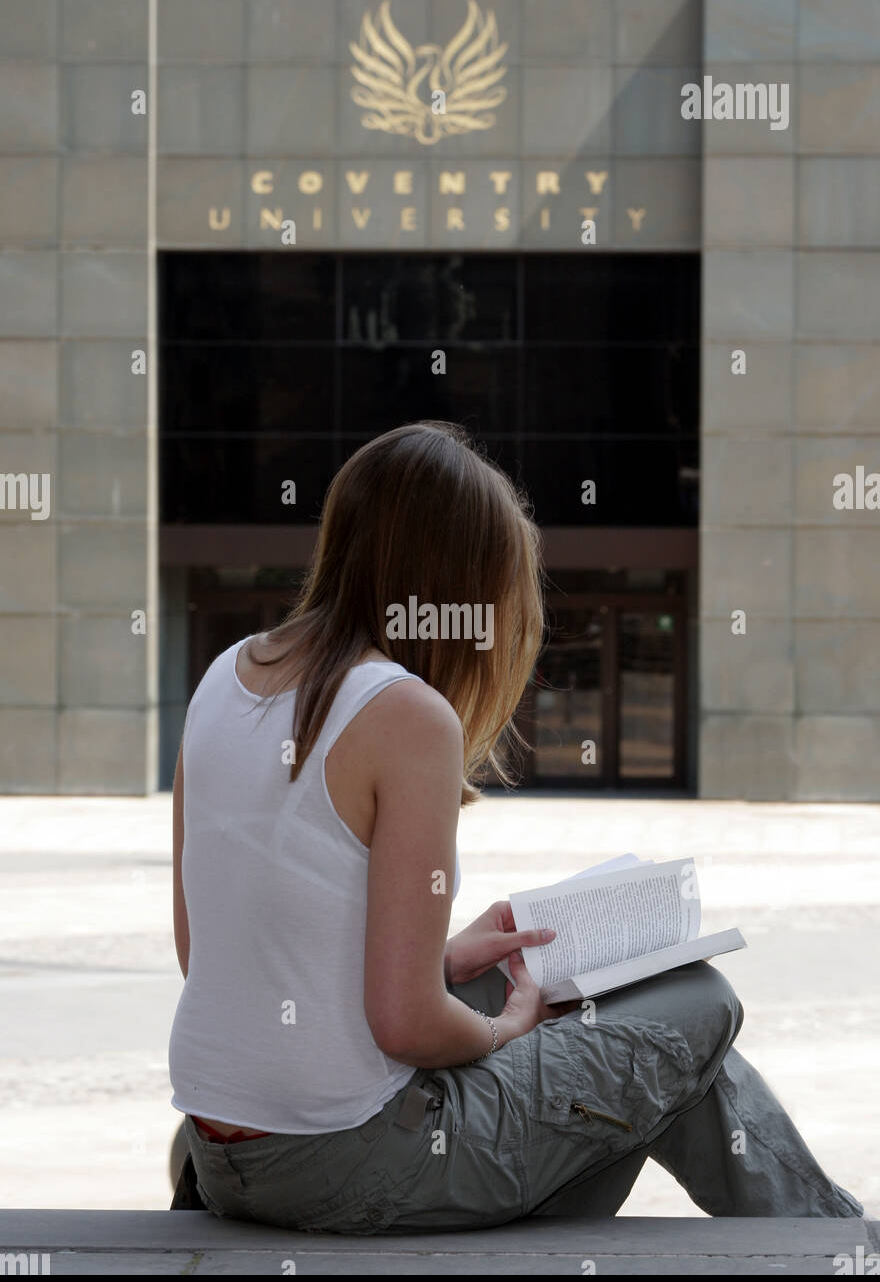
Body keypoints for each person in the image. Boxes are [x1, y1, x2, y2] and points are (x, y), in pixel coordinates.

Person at [168, 421, 862, 1232]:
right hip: (348, 1163)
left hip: (221, 1156)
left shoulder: (225, 674)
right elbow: (406, 1024)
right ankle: (838, 1251)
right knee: (695, 1004)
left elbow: (207, 951)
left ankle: (828, 1241)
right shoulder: (405, 713)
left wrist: (442, 957)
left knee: (644, 1064)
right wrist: (505, 1028)